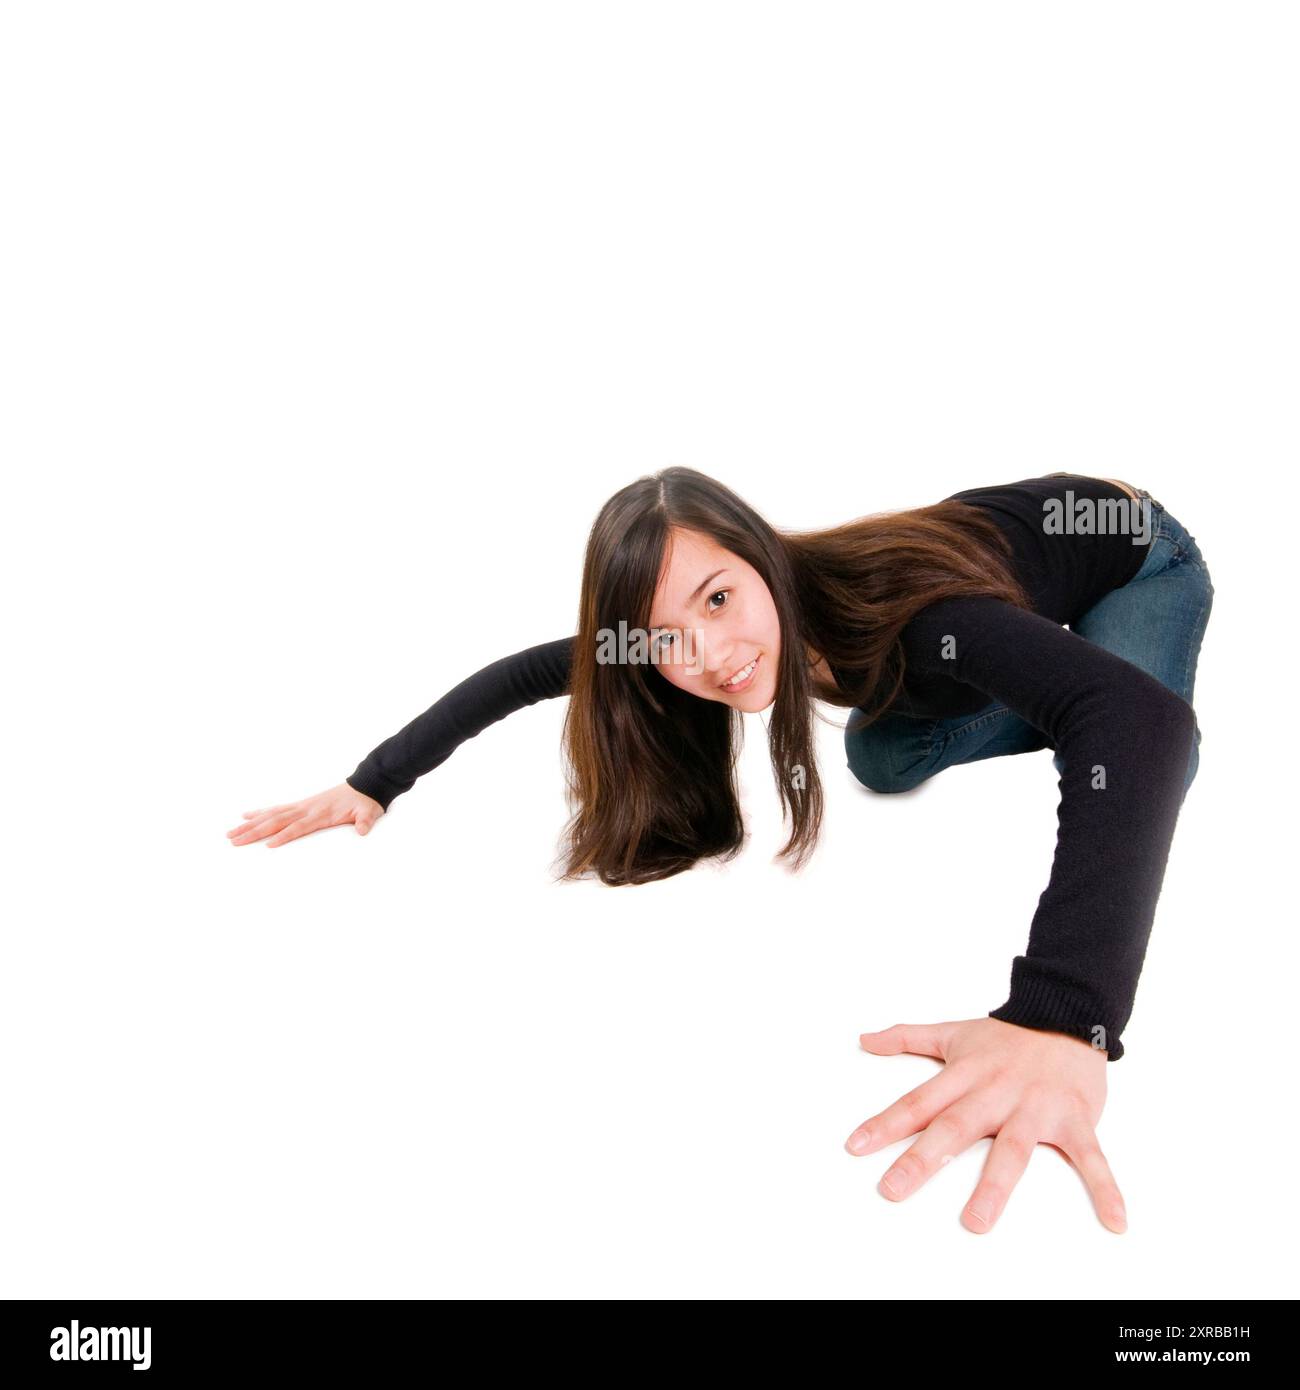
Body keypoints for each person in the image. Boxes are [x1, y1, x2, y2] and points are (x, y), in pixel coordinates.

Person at [227, 468, 1213, 1234]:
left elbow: (1143, 730)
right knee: (882, 754)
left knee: (1133, 739)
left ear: (758, 552)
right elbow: (533, 669)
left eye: (715, 599)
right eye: (663, 639)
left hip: (1133, 549)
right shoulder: (717, 640)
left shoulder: (920, 620)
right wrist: (373, 781)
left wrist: (1062, 1016)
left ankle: (1057, 673)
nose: (708, 656)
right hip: (987, 613)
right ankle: (1047, 672)